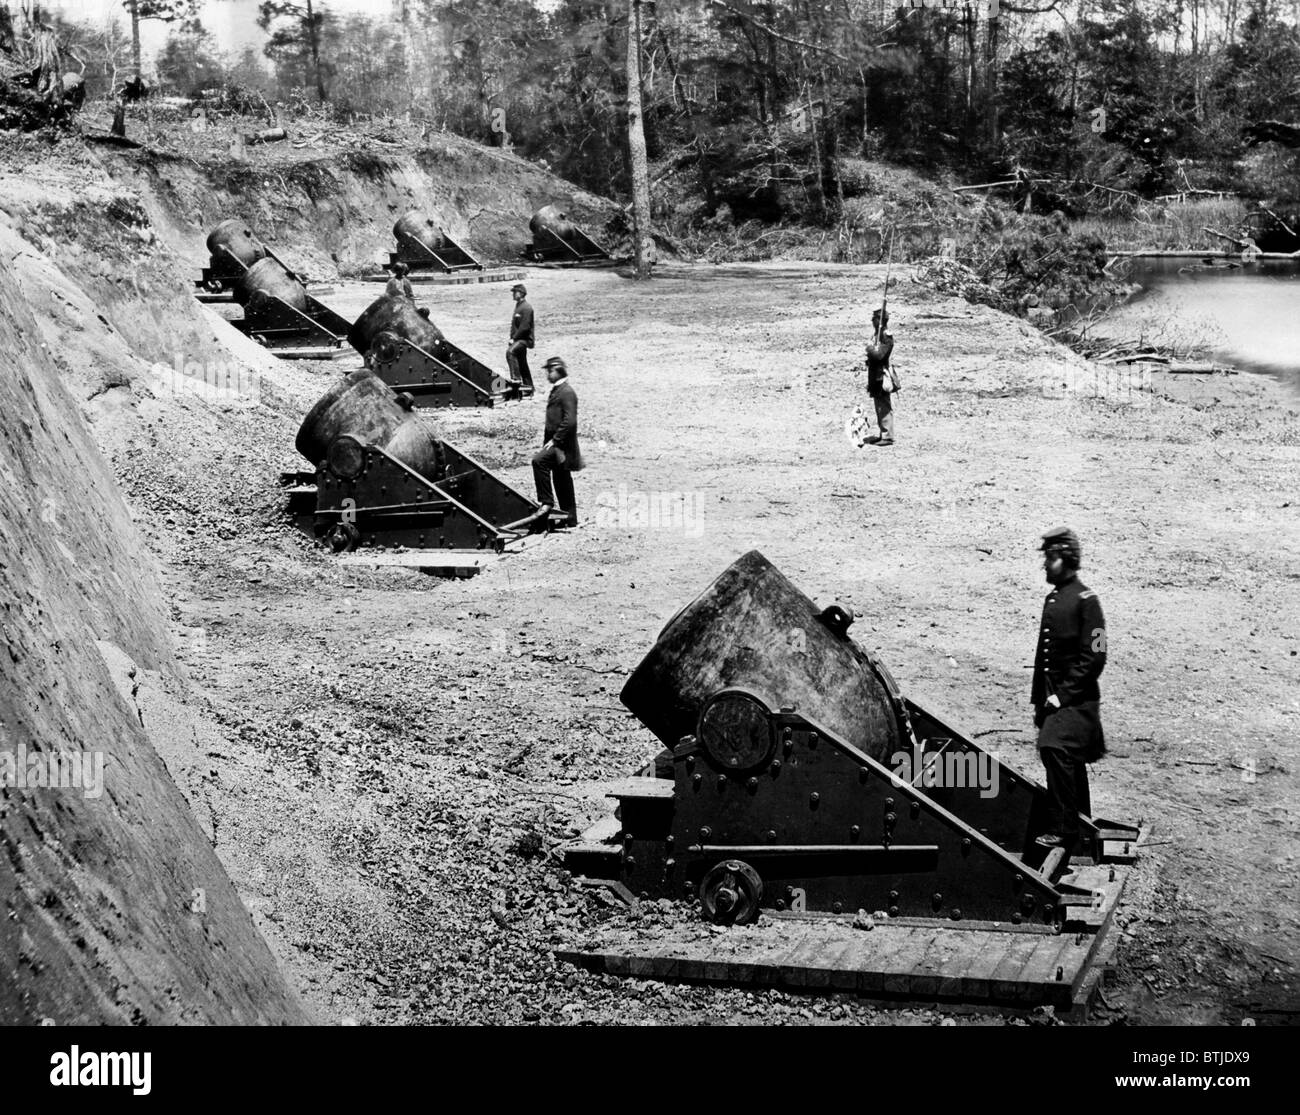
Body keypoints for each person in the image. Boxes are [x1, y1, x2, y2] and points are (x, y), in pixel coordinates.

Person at [1031, 526, 1108, 852]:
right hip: (1055, 702)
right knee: (1066, 759)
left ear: (1066, 559)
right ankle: (1081, 822)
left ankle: (1064, 829)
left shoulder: (1086, 601)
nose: (1046, 566)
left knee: (1054, 748)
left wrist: (1061, 696)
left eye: (1051, 558)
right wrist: (1040, 703)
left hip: (1077, 703)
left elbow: (1096, 655)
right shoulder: (1056, 599)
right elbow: (1044, 659)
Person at [532, 356, 582, 526]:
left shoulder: (567, 392)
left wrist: (555, 440)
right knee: (561, 478)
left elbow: (570, 420)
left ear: (557, 370)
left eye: (549, 371)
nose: (547, 374)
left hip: (562, 445)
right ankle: (570, 517)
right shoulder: (558, 389)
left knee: (538, 461)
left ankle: (546, 502)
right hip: (557, 443)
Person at [864, 308, 895, 446]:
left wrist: (870, 349)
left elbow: (879, 355)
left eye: (874, 319)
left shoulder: (886, 336)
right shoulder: (877, 335)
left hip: (882, 374)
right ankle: (882, 433)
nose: (872, 321)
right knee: (878, 405)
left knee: (884, 405)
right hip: (874, 374)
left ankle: (887, 436)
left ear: (880, 320)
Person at [507, 283, 535, 392]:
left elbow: (525, 327)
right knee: (522, 363)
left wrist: (514, 338)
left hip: (524, 339)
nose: (513, 294)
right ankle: (529, 388)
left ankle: (516, 381)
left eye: (515, 292)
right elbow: (514, 325)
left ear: (521, 293)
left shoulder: (527, 308)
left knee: (510, 352)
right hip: (518, 338)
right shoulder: (519, 306)